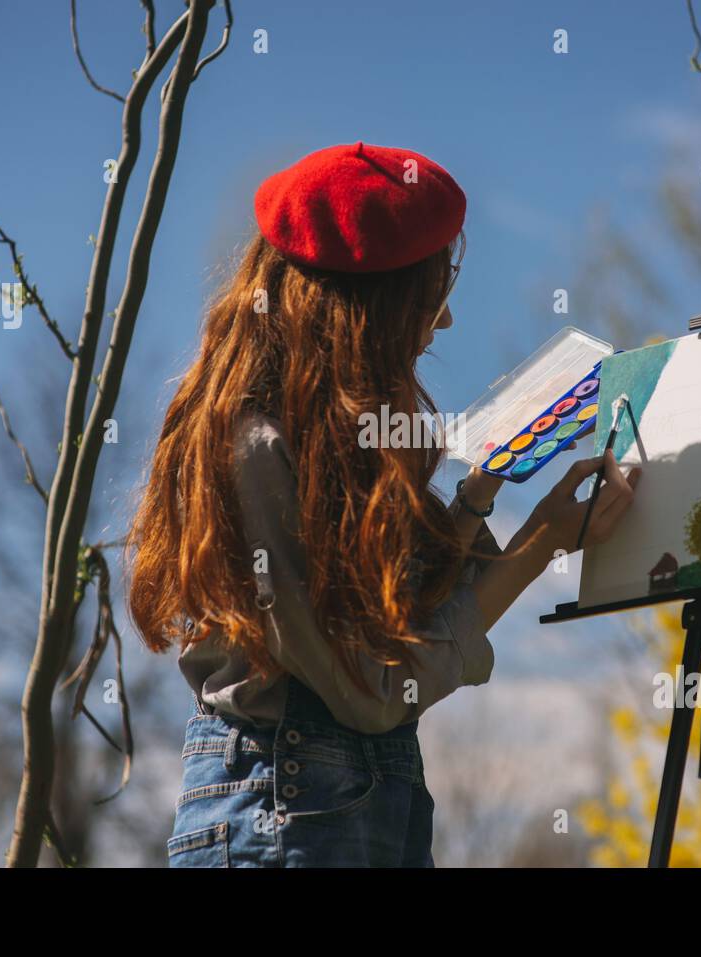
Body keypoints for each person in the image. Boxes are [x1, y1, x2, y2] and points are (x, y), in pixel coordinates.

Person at [127, 141, 639, 867]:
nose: (448, 321)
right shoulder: (259, 448)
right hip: (281, 812)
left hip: (335, 806)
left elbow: (392, 633)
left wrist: (479, 491)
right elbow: (370, 689)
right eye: (431, 295)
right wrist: (538, 545)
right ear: (364, 308)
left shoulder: (327, 442)